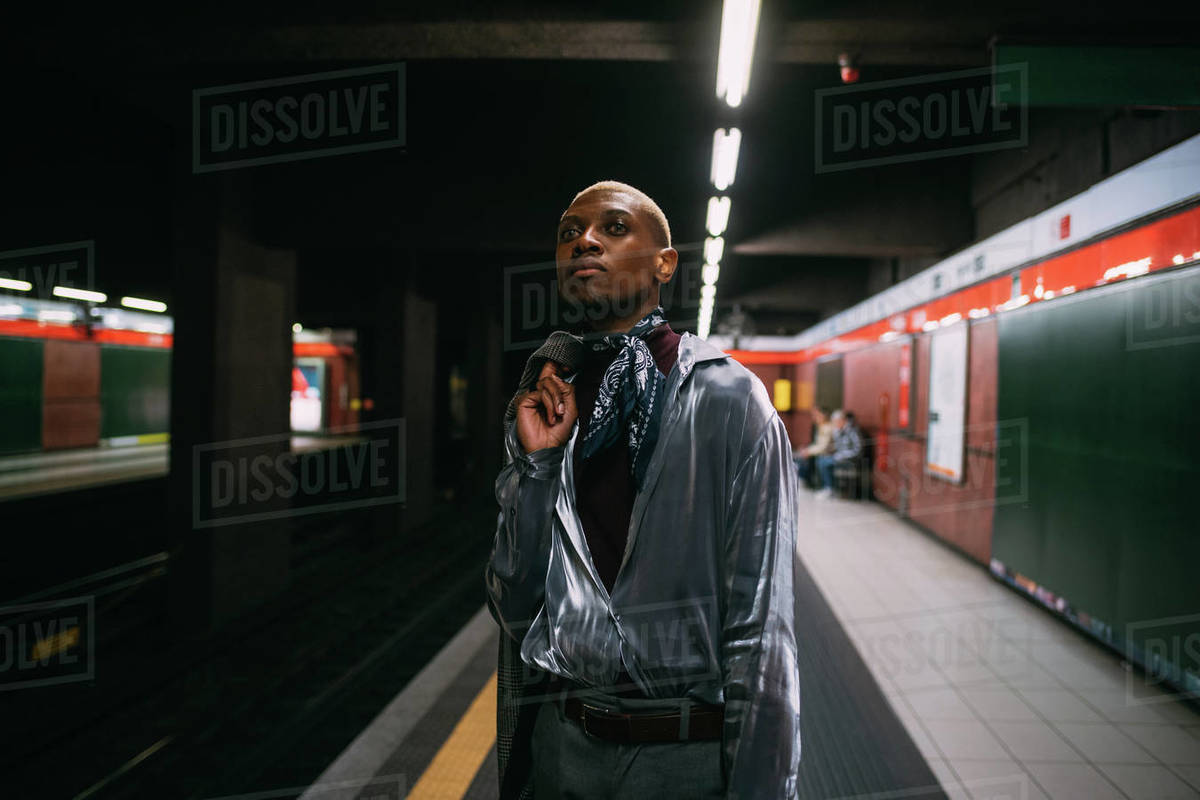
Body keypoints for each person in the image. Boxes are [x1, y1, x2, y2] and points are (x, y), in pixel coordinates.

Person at [486, 180, 801, 799]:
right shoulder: (545, 402)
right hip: (562, 746)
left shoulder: (728, 399)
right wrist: (538, 467)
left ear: (664, 263)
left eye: (613, 227)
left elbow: (762, 627)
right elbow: (514, 604)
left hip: (683, 759)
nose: (585, 243)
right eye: (569, 234)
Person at [815, 409, 863, 498]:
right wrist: (829, 451)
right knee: (821, 459)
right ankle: (828, 487)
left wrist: (842, 455)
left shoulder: (852, 431)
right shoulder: (837, 431)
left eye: (836, 422)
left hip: (850, 460)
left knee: (825, 463)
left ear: (843, 420)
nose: (835, 424)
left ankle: (829, 489)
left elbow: (858, 450)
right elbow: (837, 446)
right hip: (839, 458)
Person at [794, 405, 833, 488]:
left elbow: (823, 446)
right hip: (819, 451)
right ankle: (802, 479)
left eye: (817, 416)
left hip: (826, 452)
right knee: (798, 456)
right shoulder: (819, 427)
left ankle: (805, 480)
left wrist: (808, 451)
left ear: (824, 416)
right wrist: (806, 449)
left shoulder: (827, 428)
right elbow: (815, 443)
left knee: (807, 458)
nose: (815, 418)